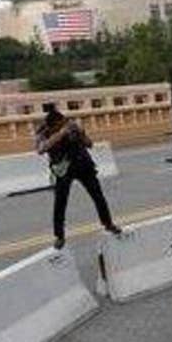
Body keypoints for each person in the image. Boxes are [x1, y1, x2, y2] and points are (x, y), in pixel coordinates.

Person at [35, 104, 121, 249]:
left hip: (82, 164)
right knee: (60, 203)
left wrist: (81, 133)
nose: (64, 125)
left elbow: (89, 144)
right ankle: (59, 236)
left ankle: (108, 223)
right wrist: (61, 134)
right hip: (63, 169)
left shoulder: (72, 126)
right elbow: (41, 149)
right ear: (52, 125)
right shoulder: (43, 131)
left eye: (64, 123)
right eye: (59, 124)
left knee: (98, 196)